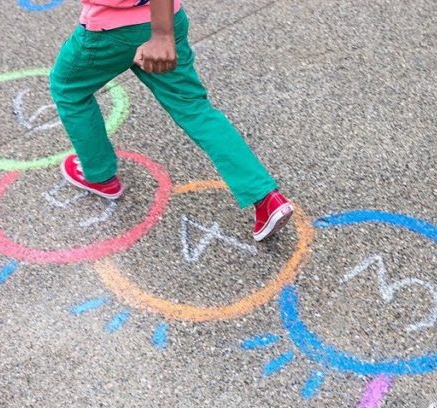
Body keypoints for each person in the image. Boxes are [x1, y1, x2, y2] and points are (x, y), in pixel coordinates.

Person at [49, 0, 294, 241]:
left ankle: (100, 175)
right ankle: (265, 197)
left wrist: (161, 36)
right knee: (195, 109)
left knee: (69, 89)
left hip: (111, 31)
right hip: (166, 16)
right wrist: (163, 32)